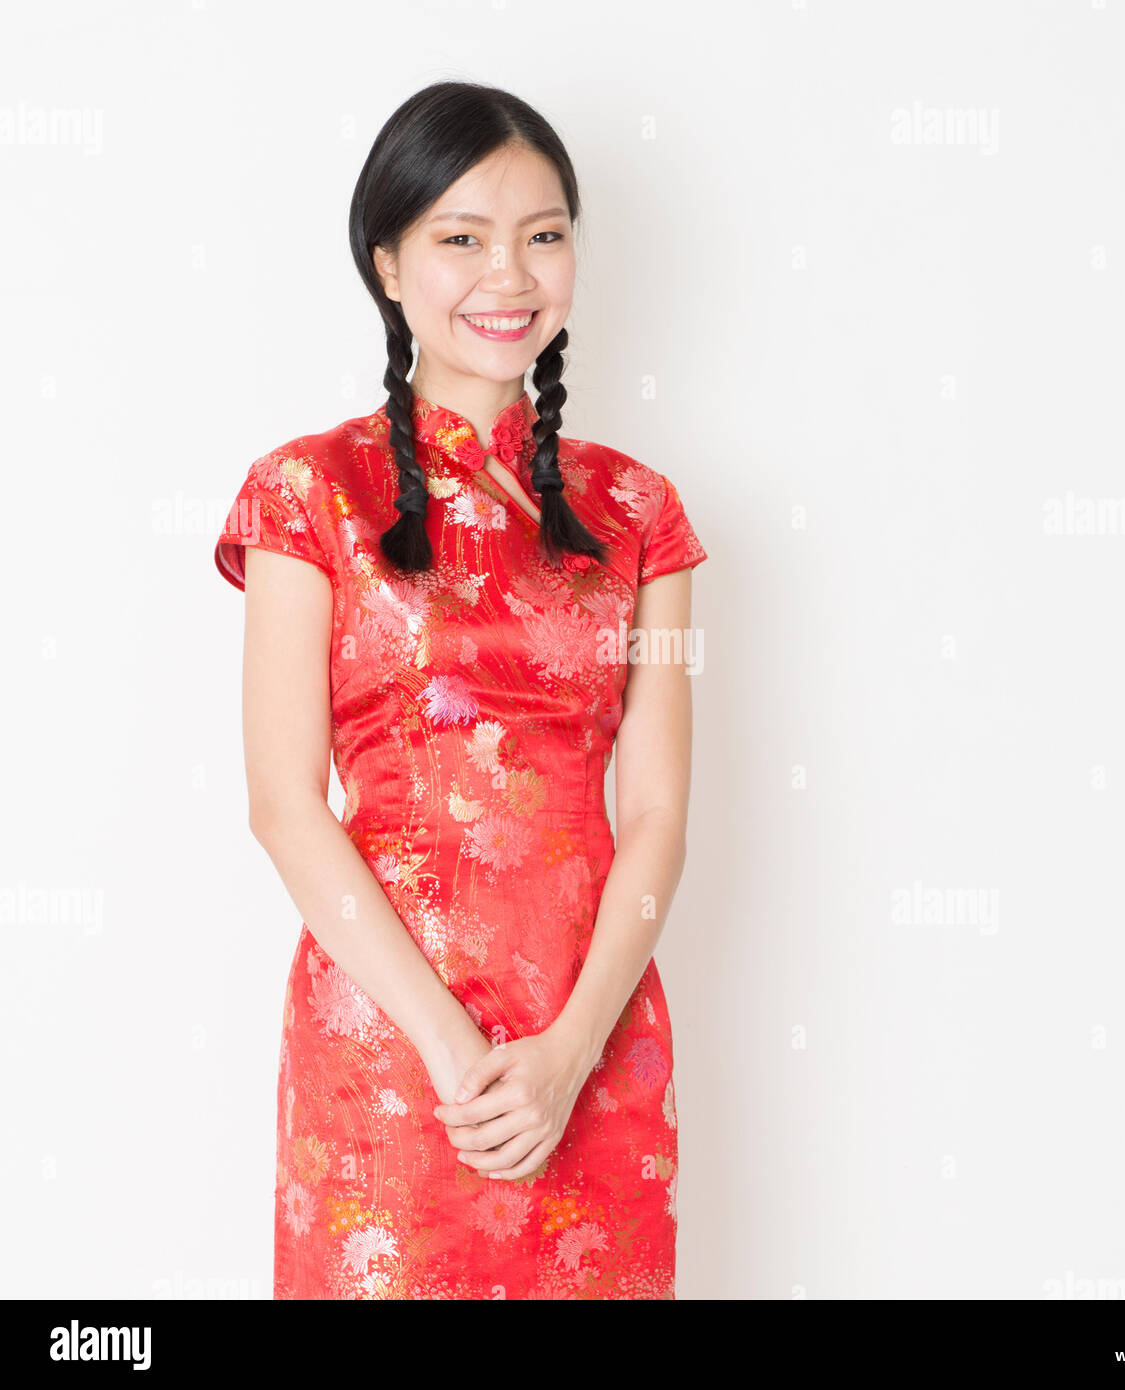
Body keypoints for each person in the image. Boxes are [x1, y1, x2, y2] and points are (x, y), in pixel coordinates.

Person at [213, 81, 707, 1300]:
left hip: (592, 1049)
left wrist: (573, 1050)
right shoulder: (306, 496)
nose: (511, 273)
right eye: (461, 236)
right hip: (389, 1057)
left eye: (543, 234)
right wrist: (453, 1051)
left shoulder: (643, 517)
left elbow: (656, 814)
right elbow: (284, 802)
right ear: (388, 264)